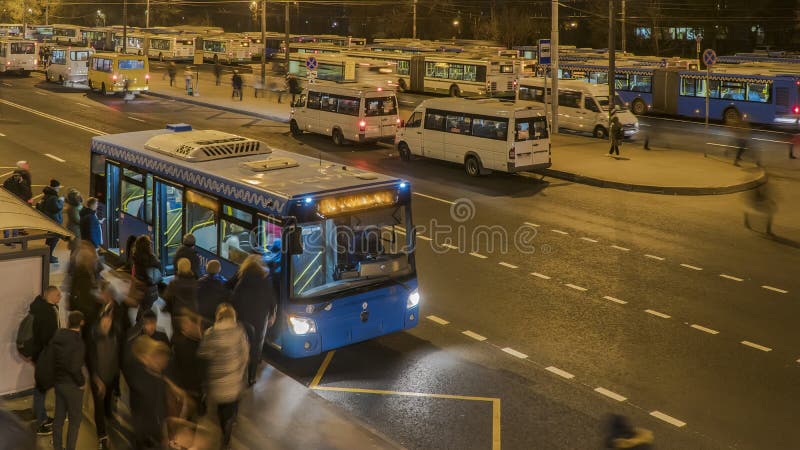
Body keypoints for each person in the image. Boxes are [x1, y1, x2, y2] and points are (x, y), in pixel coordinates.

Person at [197, 303, 249, 450]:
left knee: (220, 408)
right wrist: (240, 372)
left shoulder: (210, 333)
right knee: (231, 406)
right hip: (234, 381)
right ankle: (228, 424)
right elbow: (245, 355)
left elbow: (203, 355)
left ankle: (224, 425)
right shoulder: (239, 331)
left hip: (217, 382)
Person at [229, 255, 276, 385]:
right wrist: (272, 314)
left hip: (243, 316)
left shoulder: (242, 278)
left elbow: (233, 295)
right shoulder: (265, 279)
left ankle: (240, 370)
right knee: (256, 346)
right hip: (260, 317)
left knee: (242, 343)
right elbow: (271, 298)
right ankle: (251, 377)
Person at [127, 335, 173, 450]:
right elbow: (151, 408)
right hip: (146, 435)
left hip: (154, 432)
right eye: (158, 358)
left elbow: (161, 407)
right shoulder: (140, 377)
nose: (163, 363)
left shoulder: (157, 377)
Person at [87, 302, 121, 450]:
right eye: (105, 321)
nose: (107, 324)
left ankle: (109, 417)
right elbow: (89, 360)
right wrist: (96, 378)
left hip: (111, 375)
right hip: (98, 379)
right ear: (100, 320)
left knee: (107, 402)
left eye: (109, 321)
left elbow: (118, 355)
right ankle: (102, 435)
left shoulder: (116, 332)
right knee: (99, 407)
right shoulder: (93, 335)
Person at [51, 311, 86, 450]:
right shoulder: (78, 341)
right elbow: (74, 367)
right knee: (74, 421)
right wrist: (81, 382)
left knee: (58, 419)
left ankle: (57, 447)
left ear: (68, 322)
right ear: (81, 323)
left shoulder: (58, 336)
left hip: (58, 382)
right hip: (72, 386)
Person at [29, 286, 61, 436]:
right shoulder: (46, 312)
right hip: (44, 355)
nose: (60, 297)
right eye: (57, 295)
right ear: (49, 296)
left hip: (41, 355)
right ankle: (41, 422)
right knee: (41, 386)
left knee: (41, 385)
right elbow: (46, 337)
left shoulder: (43, 307)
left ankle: (41, 415)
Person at [67, 243, 100, 342]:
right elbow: (84, 295)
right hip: (87, 311)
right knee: (87, 335)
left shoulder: (90, 270)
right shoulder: (83, 274)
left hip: (86, 310)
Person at [163, 258, 199, 335]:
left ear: (179, 268)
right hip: (192, 314)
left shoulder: (174, 283)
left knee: (177, 335)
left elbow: (166, 297)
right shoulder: (195, 282)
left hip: (178, 315)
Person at [132, 235, 161, 321]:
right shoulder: (151, 258)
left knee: (143, 306)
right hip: (149, 289)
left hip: (139, 288)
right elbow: (159, 266)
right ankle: (141, 326)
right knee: (146, 310)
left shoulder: (136, 257)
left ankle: (139, 322)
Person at [3, 161, 33, 242]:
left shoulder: (7, 181)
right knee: (14, 223)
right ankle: (13, 239)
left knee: (9, 223)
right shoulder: (21, 182)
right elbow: (27, 194)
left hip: (10, 205)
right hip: (16, 205)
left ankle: (8, 239)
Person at [37, 179, 64, 263]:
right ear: (55, 188)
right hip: (55, 221)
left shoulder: (46, 195)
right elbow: (57, 208)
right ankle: (49, 256)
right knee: (54, 238)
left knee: (50, 238)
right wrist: (61, 201)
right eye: (58, 188)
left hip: (50, 220)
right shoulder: (53, 198)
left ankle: (47, 253)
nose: (59, 189)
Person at [197, 260, 229, 327]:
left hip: (202, 314)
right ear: (219, 269)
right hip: (216, 314)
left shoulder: (200, 282)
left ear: (207, 268)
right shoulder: (223, 282)